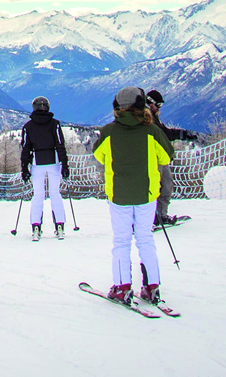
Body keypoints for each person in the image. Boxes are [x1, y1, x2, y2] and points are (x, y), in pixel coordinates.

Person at [92, 87, 170, 306]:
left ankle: (122, 287)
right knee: (146, 239)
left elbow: (99, 155)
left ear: (116, 107)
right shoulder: (152, 131)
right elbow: (166, 157)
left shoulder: (109, 132)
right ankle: (152, 287)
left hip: (119, 195)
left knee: (121, 241)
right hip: (147, 194)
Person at [20, 96, 69, 241]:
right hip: (53, 162)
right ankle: (59, 225)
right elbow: (60, 145)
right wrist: (65, 165)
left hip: (37, 163)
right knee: (55, 193)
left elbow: (25, 148)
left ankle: (36, 226)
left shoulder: (28, 126)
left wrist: (24, 168)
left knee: (38, 195)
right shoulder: (55, 124)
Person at [146, 90, 193, 227]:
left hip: (162, 157)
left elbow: (164, 133)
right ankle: (151, 216)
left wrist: (182, 134)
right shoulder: (146, 118)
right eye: (158, 104)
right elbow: (161, 135)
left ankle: (160, 215)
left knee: (166, 185)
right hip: (153, 158)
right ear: (150, 102)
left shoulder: (154, 118)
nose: (159, 107)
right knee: (155, 187)